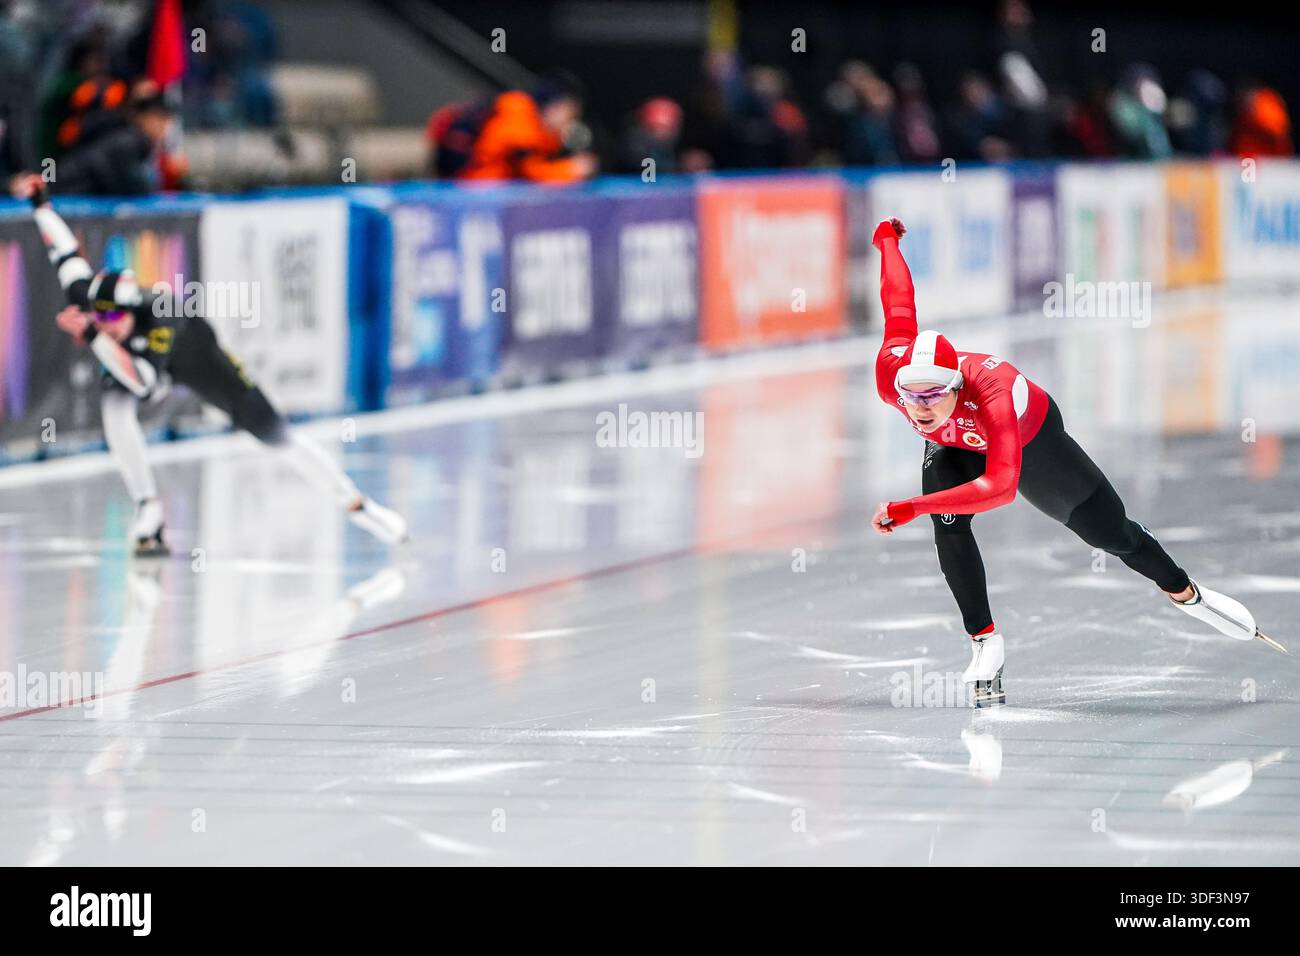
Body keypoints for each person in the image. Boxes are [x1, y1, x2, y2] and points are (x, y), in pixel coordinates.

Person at [868, 217, 1284, 706]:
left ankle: (1185, 591)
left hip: (1030, 439)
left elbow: (1003, 485)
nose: (918, 406)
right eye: (908, 396)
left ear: (955, 385)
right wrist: (887, 240)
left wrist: (911, 506)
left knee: (1111, 534)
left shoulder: (992, 390)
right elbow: (898, 305)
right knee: (948, 520)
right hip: (959, 445)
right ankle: (985, 641)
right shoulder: (892, 372)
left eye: (933, 394)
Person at [12, 172, 407, 555]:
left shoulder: (162, 318)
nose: (106, 324)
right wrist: (40, 202)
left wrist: (96, 338)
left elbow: (145, 383)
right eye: (99, 317)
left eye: (113, 318)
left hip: (194, 357)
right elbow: (64, 253)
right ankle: (148, 507)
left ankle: (358, 505)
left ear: (133, 311)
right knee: (115, 408)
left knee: (274, 432)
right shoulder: (97, 303)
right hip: (142, 365)